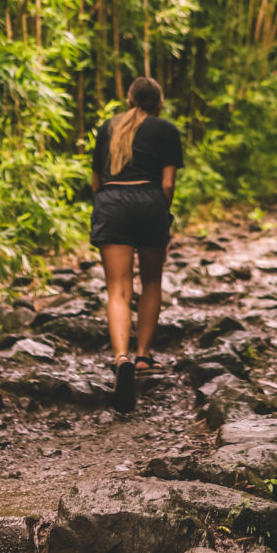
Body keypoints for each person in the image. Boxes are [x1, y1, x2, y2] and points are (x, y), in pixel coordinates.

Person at [90, 76, 180, 413]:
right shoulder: (166, 130)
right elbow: (168, 183)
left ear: (129, 101)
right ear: (158, 103)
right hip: (149, 201)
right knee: (152, 281)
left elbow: (97, 181)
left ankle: (121, 357)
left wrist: (111, 203)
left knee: (118, 288)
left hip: (112, 203)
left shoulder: (106, 128)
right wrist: (159, 210)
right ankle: (143, 356)